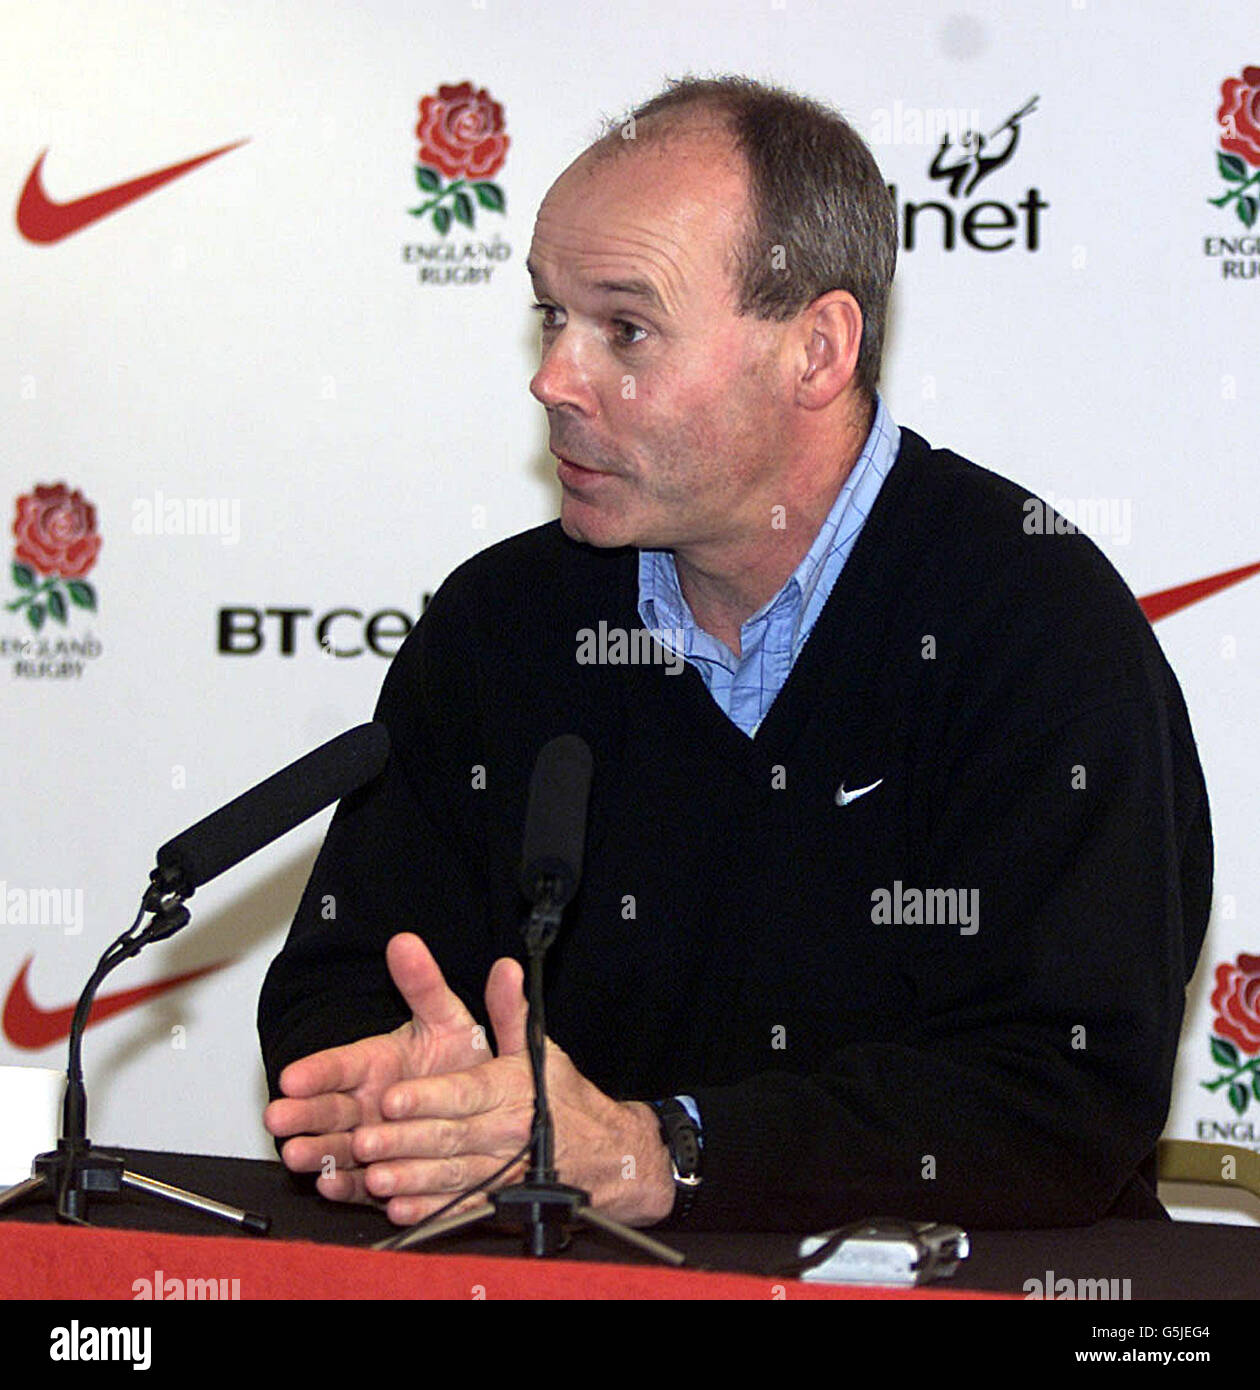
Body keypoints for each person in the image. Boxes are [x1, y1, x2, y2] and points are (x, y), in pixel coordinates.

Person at [258, 76, 1212, 1233]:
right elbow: (343, 980)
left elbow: (1058, 1096)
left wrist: (668, 1151)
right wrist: (407, 1091)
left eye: (626, 328)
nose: (554, 379)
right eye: (549, 315)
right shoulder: (499, 622)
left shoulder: (1034, 627)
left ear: (816, 349)